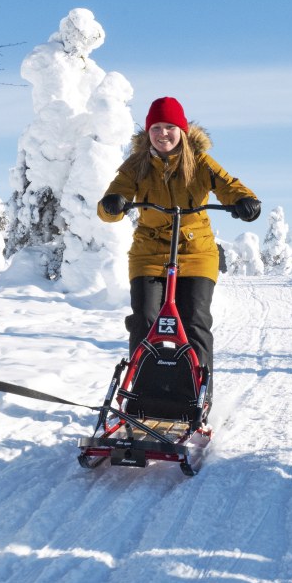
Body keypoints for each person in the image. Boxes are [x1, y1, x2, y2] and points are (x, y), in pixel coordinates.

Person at [97, 96, 260, 374]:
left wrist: (244, 201)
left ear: (182, 131)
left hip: (197, 253)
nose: (163, 134)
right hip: (149, 253)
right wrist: (112, 204)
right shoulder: (136, 165)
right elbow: (110, 203)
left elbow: (229, 186)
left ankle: (198, 392)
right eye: (156, 127)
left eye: (169, 127)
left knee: (193, 320)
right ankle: (142, 387)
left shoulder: (200, 162)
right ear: (148, 132)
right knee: (146, 319)